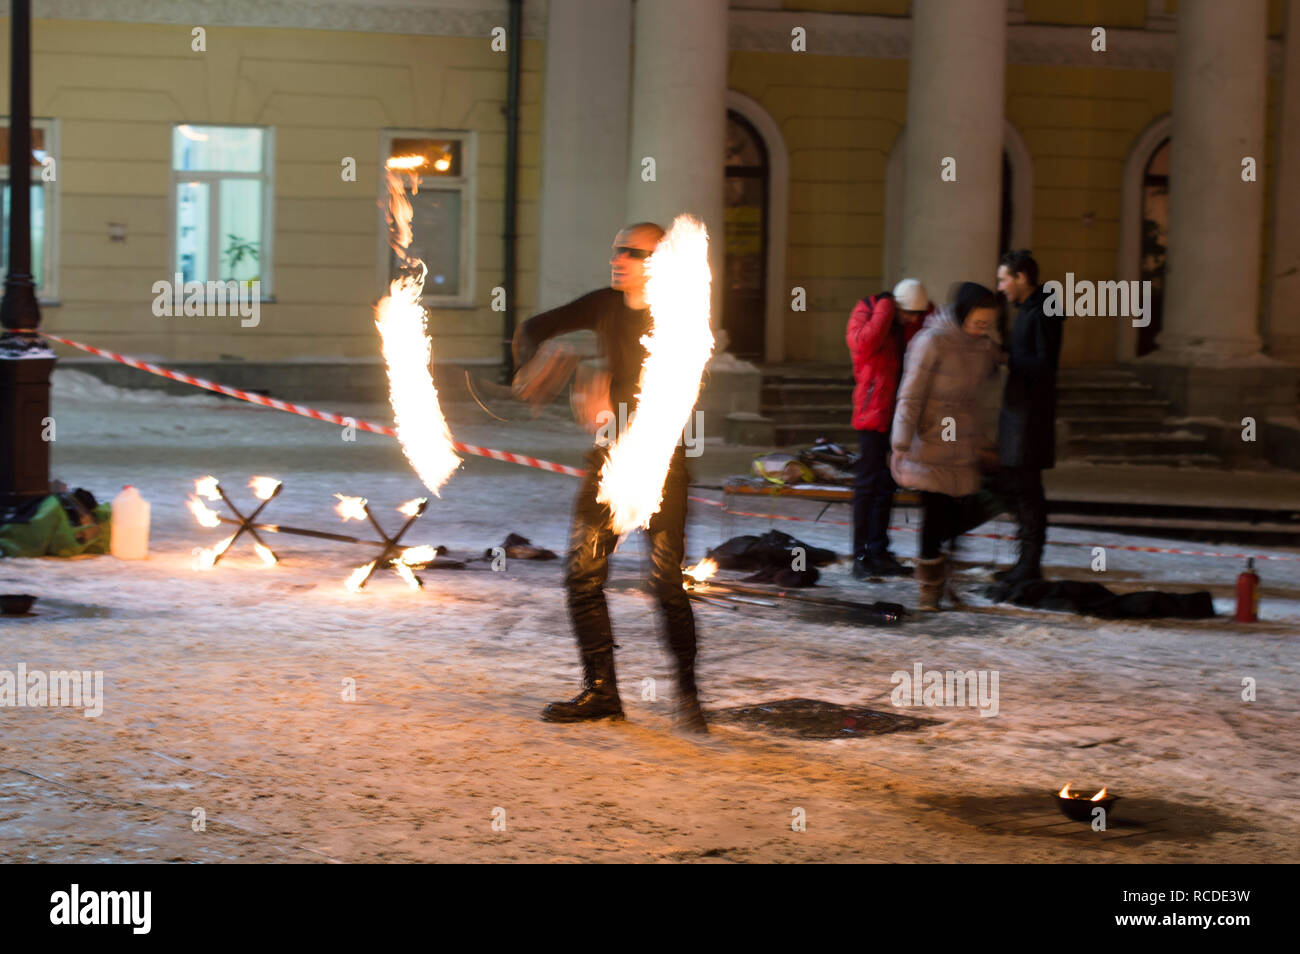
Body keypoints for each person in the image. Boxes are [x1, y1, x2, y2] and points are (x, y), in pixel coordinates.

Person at [511, 222, 706, 733]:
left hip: (662, 462)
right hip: (608, 459)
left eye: (633, 253)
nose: (619, 259)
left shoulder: (679, 320)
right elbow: (534, 327)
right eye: (616, 248)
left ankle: (687, 697)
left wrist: (607, 395)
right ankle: (602, 691)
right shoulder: (604, 303)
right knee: (581, 574)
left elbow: (679, 391)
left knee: (665, 583)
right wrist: (540, 365)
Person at [890, 282, 999, 611]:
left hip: (962, 443)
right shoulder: (931, 342)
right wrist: (900, 442)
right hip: (931, 444)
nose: (982, 329)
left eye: (987, 324)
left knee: (958, 515)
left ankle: (944, 578)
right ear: (963, 314)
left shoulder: (982, 348)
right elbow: (911, 395)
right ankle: (929, 588)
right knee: (935, 515)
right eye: (978, 322)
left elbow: (979, 400)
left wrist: (983, 441)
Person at [846, 278, 931, 578]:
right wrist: (883, 310)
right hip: (872, 415)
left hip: (898, 417)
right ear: (895, 306)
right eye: (908, 313)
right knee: (867, 487)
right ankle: (859, 555)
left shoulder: (909, 321)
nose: (912, 320)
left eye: (915, 315)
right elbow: (863, 344)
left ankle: (878, 550)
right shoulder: (868, 311)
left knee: (886, 486)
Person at [994, 249, 1065, 586]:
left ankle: (1030, 564)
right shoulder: (1030, 310)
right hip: (1020, 412)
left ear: (1021, 277)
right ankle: (1025, 560)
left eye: (1004, 279)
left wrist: (1007, 357)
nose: (1001, 287)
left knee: (1028, 490)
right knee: (1020, 488)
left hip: (1030, 416)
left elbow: (1046, 365)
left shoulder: (1044, 310)